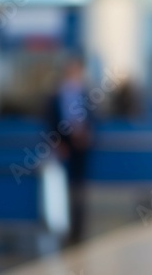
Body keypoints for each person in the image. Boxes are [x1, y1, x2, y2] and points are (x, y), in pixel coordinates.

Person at [46, 56, 95, 245]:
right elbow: (50, 122)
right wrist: (58, 142)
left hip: (82, 149)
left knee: (79, 190)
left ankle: (79, 230)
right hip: (64, 148)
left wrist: (87, 136)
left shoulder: (87, 95)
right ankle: (63, 227)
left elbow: (95, 122)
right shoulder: (56, 96)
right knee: (62, 189)